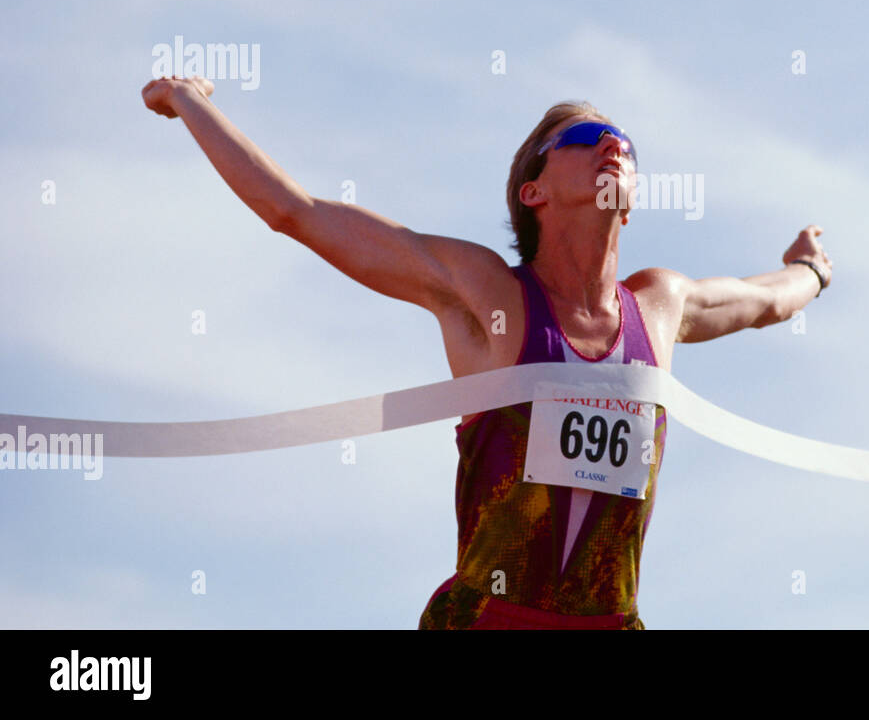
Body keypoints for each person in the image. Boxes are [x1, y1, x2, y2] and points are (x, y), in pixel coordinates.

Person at [142, 76, 833, 629]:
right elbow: (296, 210)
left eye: (625, 142)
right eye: (589, 136)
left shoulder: (659, 304)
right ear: (533, 189)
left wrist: (811, 270)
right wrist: (189, 101)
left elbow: (766, 299)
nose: (614, 146)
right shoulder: (485, 292)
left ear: (630, 203)